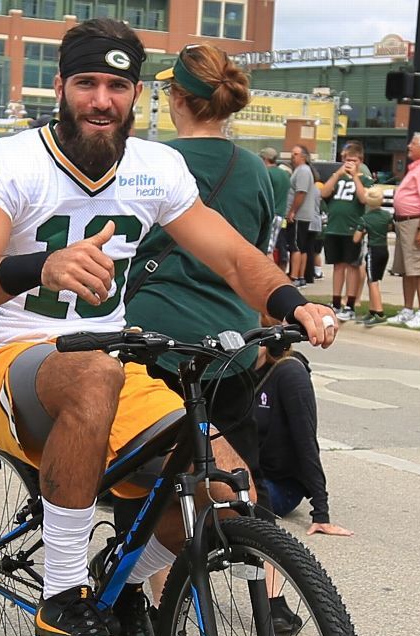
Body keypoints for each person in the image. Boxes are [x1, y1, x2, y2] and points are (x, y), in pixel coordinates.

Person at [0, 18, 338, 636]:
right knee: (96, 371)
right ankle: (63, 596)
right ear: (61, 87)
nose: (102, 99)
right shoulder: (10, 160)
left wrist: (297, 304)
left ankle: (117, 580)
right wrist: (40, 266)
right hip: (12, 363)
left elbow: (236, 258)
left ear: (135, 96)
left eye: (117, 86)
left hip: (109, 368)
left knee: (224, 489)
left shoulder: (157, 168)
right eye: (88, 83)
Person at [126, 42, 274, 501]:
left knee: (147, 487)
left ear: (177, 99)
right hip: (234, 341)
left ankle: (137, 570)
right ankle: (246, 561)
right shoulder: (254, 170)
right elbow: (254, 254)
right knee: (232, 482)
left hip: (153, 334)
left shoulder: (147, 162)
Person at [254, 338, 351, 537]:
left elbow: (306, 441)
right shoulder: (238, 372)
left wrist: (321, 514)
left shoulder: (291, 374)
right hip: (248, 472)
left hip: (279, 485)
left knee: (218, 500)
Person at [388, 133, 420, 330]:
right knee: (407, 270)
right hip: (406, 223)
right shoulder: (417, 168)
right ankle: (407, 310)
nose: (409, 146)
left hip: (418, 223)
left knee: (419, 268)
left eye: (414, 144)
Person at [317, 142, 373, 319]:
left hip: (352, 229)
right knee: (337, 266)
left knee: (352, 267)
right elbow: (324, 193)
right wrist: (338, 174)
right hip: (334, 228)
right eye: (347, 160)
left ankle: (350, 305)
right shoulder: (337, 177)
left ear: (360, 161)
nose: (349, 163)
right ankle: (335, 302)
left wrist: (355, 176)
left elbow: (364, 199)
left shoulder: (364, 179)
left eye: (353, 160)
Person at [285, 144, 321, 286]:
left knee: (296, 247)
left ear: (303, 156)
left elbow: (301, 192)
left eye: (295, 154)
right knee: (303, 247)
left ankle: (294, 277)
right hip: (303, 215)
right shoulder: (300, 170)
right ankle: (301, 276)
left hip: (300, 215)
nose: (292, 157)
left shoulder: (303, 171)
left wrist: (292, 211)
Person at [358, 188, 394, 327]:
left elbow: (356, 238)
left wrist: (362, 231)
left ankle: (379, 312)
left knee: (373, 282)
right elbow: (390, 227)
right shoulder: (386, 215)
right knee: (374, 279)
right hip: (384, 249)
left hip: (373, 250)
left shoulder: (365, 218)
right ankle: (372, 310)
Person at [259, 147, 291, 264]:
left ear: (265, 159)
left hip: (269, 215)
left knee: (267, 250)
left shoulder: (266, 173)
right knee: (273, 247)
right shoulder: (284, 174)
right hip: (280, 214)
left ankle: (269, 280)